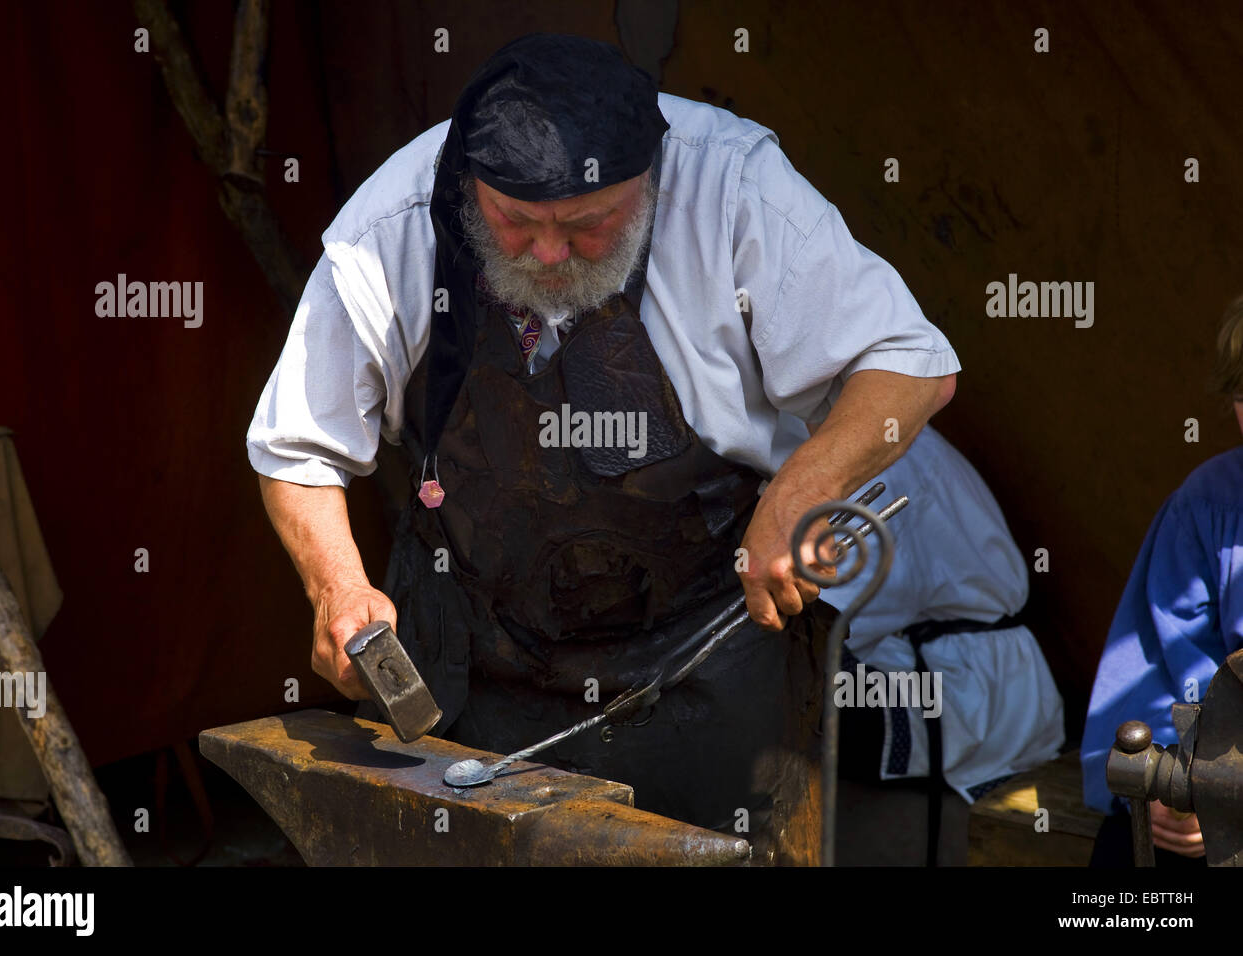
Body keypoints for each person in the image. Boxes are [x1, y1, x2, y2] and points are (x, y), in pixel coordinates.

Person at [247, 33, 959, 864]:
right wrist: (336, 588)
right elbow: (296, 443)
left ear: (650, 182)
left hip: (704, 663)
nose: (549, 255)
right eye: (514, 222)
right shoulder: (395, 218)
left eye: (588, 225)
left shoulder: (732, 185)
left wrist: (801, 489)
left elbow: (909, 366)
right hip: (474, 666)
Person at [826, 425, 1065, 864]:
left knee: (795, 705)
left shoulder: (864, 457)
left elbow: (829, 620)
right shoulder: (849, 434)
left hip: (965, 673)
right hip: (917, 645)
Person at [1080, 295, 1243, 865]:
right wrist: (1168, 784)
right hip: (1224, 776)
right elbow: (1159, 665)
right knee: (1132, 848)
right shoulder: (1211, 503)